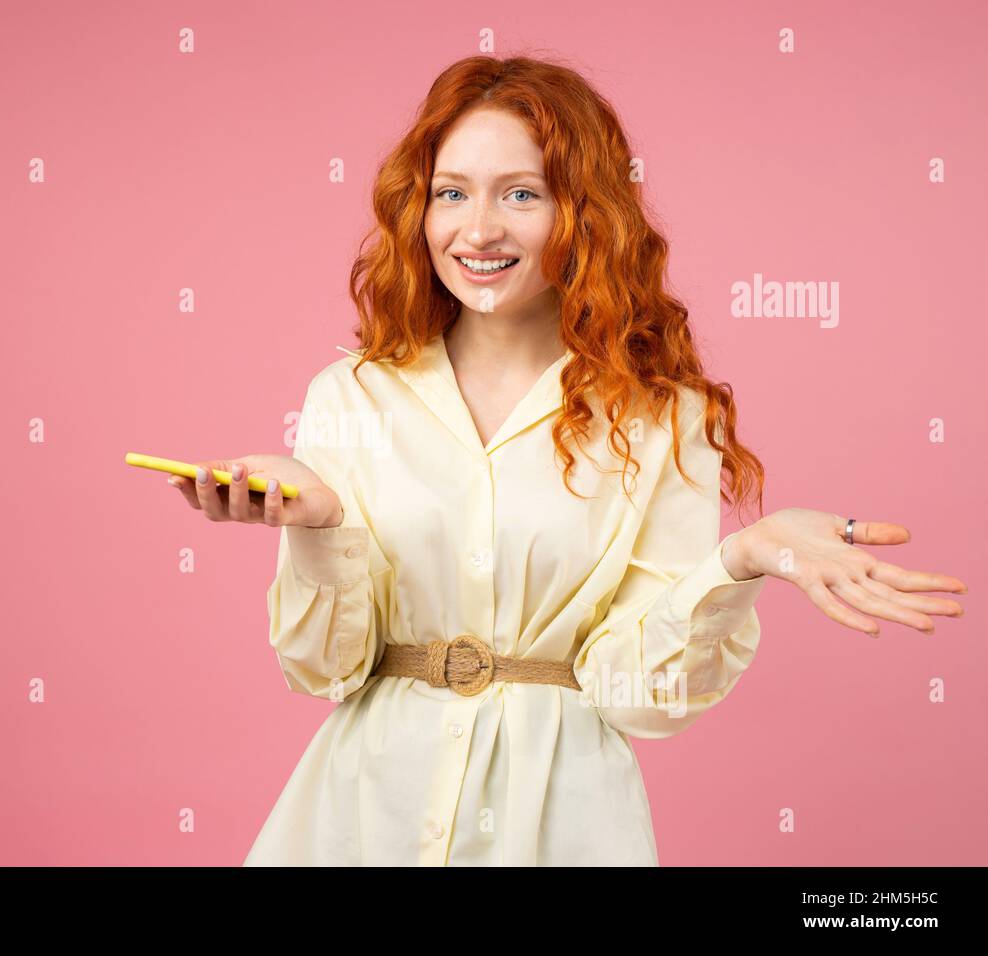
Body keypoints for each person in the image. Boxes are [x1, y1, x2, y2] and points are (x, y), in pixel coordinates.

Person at [163, 55, 967, 866]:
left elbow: (643, 695)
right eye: (452, 192)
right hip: (362, 817)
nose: (478, 230)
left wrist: (740, 561)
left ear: (582, 211)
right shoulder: (353, 395)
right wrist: (320, 525)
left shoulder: (661, 416)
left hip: (560, 825)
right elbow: (325, 670)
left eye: (521, 193)